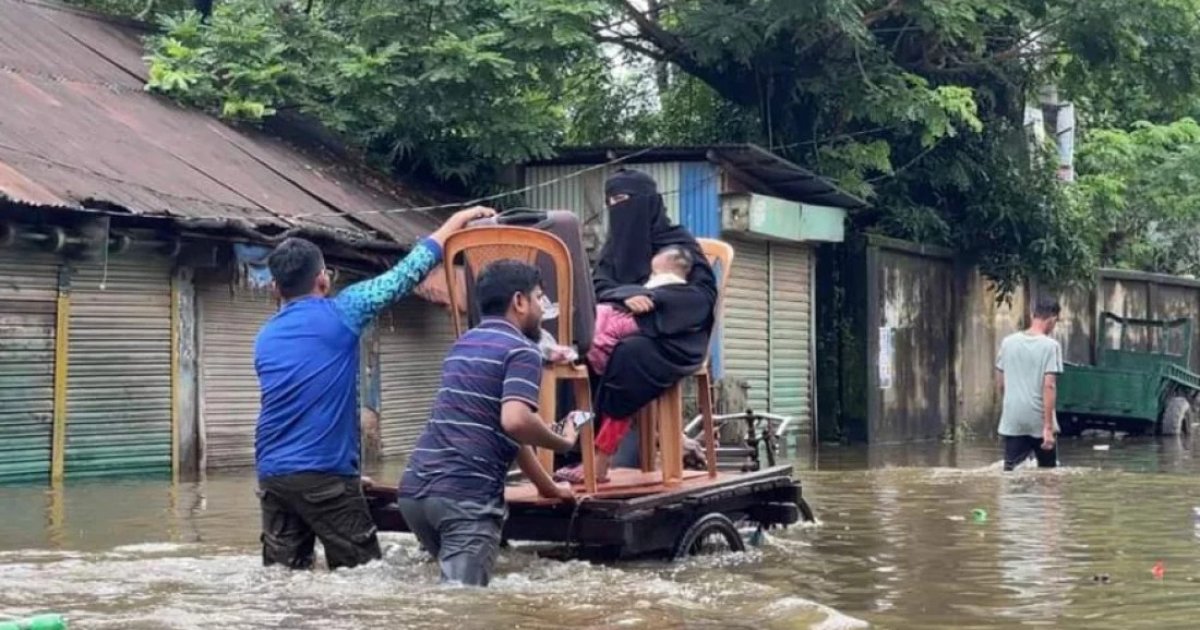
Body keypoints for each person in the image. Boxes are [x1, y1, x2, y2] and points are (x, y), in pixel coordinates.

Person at [253, 205, 495, 571]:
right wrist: (457, 221)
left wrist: (346, 473)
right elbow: (407, 273)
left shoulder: (265, 336)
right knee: (361, 577)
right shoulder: (342, 311)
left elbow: (298, 406)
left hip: (273, 476)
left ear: (275, 288)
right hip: (325, 477)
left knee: (284, 578)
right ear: (323, 280)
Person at [397, 259, 577, 587]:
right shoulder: (522, 351)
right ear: (519, 301)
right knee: (463, 607)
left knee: (449, 596)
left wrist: (549, 488)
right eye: (539, 298)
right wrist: (563, 441)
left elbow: (507, 434)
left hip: (414, 493)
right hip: (465, 496)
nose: (541, 308)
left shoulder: (461, 346)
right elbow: (516, 421)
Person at [556, 169, 718, 484]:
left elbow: (702, 298)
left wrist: (654, 299)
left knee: (629, 354)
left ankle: (602, 459)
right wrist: (627, 293)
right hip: (617, 328)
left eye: (623, 200)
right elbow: (597, 286)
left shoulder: (677, 244)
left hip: (672, 338)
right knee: (573, 352)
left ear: (647, 203)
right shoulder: (613, 248)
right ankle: (572, 452)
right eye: (611, 201)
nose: (617, 207)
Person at [586, 245, 695, 375]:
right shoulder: (684, 289)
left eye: (654, 273)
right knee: (603, 314)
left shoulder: (667, 282)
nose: (652, 276)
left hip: (644, 321)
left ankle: (599, 358)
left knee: (605, 321)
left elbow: (647, 293)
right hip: (639, 319)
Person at [996, 299, 1064, 471]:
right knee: (1048, 476)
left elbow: (1001, 383)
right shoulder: (1051, 346)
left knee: (1011, 473)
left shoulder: (1007, 343)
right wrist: (1048, 428)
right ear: (1052, 319)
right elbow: (1049, 386)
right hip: (1038, 420)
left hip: (1013, 418)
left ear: (1033, 315)